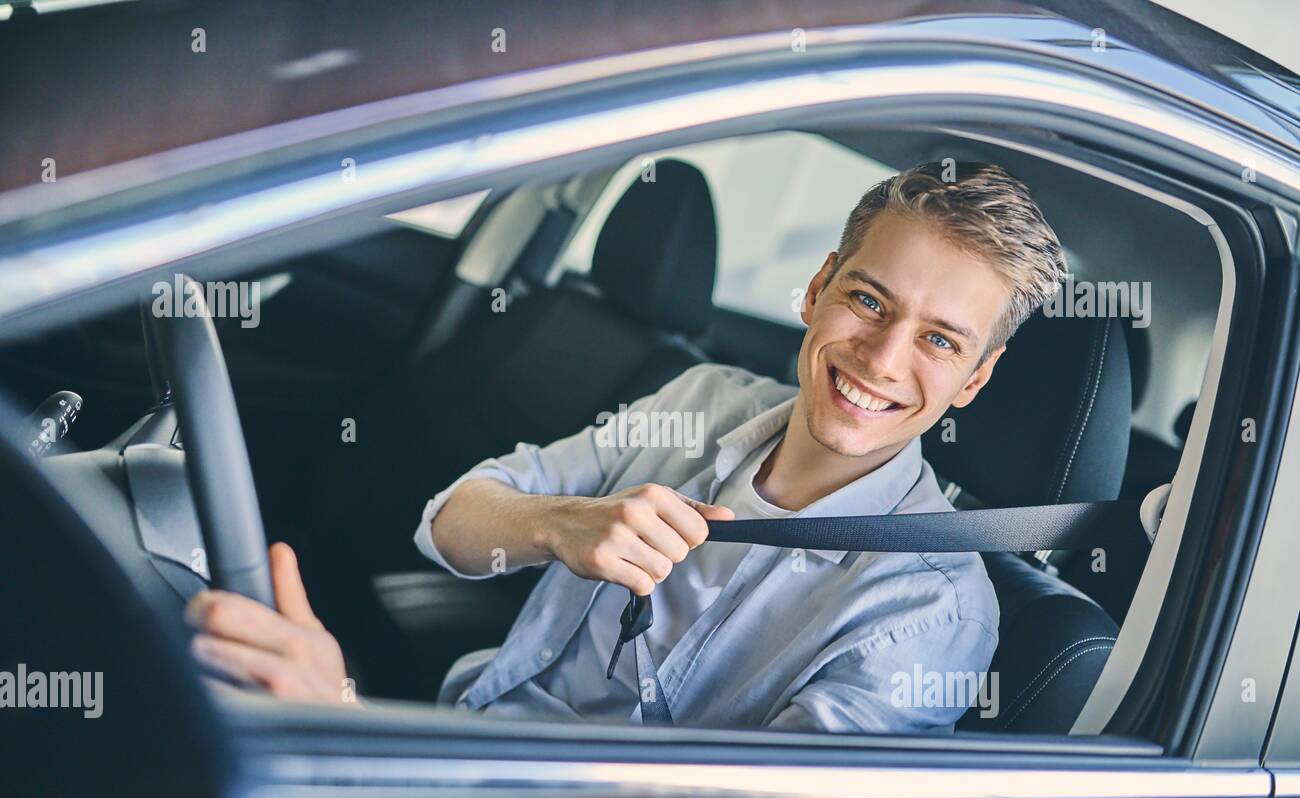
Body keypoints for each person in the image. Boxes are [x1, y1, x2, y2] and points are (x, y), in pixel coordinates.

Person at [188, 161, 1068, 733]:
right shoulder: (706, 398)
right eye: (869, 301)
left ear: (975, 381)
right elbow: (449, 522)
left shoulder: (929, 612)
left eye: (940, 341)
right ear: (815, 288)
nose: (881, 358)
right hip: (466, 729)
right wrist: (558, 523)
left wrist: (343, 727)